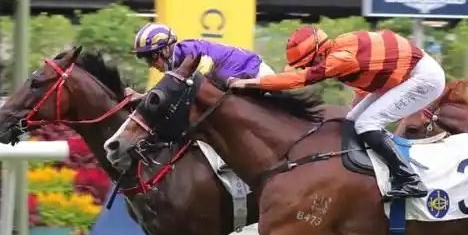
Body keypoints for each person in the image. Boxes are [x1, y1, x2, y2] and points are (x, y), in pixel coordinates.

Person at [228, 26, 446, 202]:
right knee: (352, 121)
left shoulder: (339, 59)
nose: (309, 66)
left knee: (367, 124)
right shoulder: (340, 48)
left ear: (320, 52)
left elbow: (300, 80)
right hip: (404, 76)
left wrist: (252, 83)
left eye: (310, 62)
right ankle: (370, 175)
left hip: (423, 78)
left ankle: (409, 179)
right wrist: (359, 102)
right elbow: (371, 74)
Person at [127, 22, 275, 101]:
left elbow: (186, 91)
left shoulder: (192, 54)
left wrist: (143, 97)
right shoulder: (176, 61)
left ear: (165, 50)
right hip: (237, 83)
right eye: (143, 57)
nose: (149, 64)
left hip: (257, 76)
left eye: (149, 56)